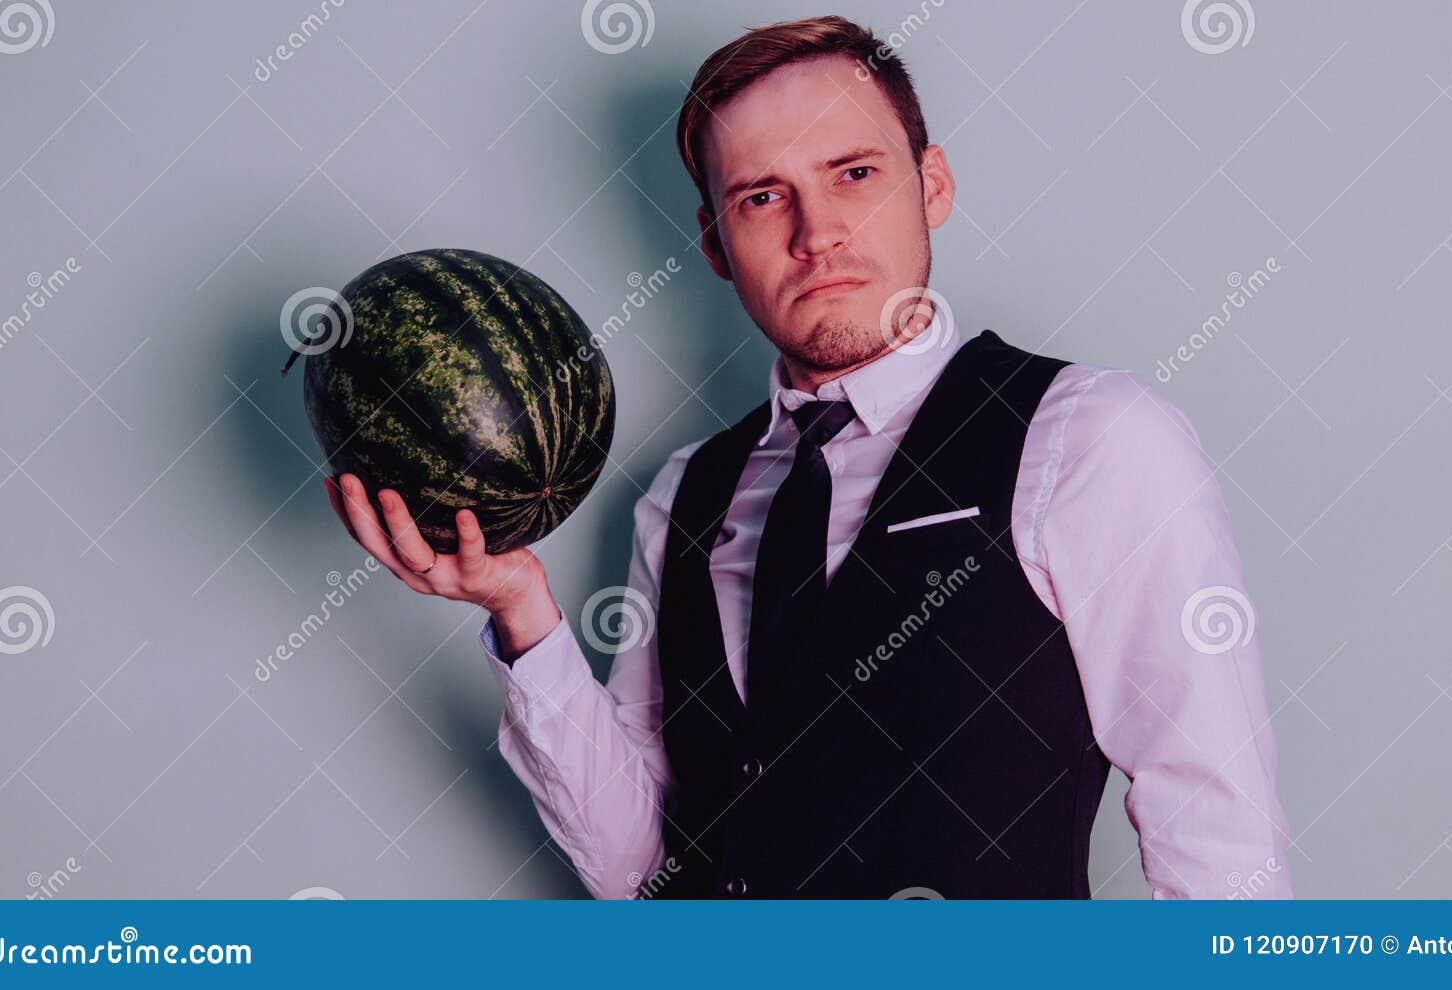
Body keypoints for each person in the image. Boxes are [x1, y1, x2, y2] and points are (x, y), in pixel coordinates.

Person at [325, 14, 1292, 900]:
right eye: (761, 196)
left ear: (933, 184)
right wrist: (520, 613)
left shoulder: (1087, 438)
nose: (817, 232)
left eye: (854, 174)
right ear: (715, 242)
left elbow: (1216, 832)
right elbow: (639, 867)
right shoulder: (684, 497)